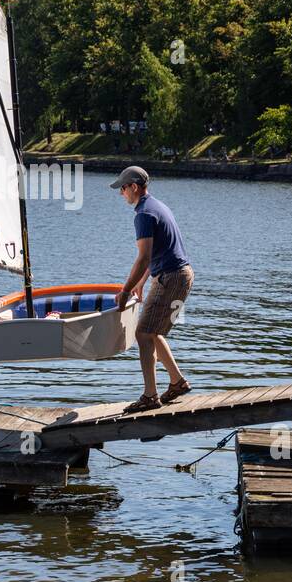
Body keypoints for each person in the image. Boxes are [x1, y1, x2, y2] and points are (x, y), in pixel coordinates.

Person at [111, 166, 194, 413]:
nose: (121, 194)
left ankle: (150, 396)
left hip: (171, 277)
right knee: (154, 333)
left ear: (134, 187)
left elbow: (143, 257)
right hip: (178, 275)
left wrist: (125, 291)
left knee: (143, 334)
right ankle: (177, 382)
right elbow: (157, 253)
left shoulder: (144, 214)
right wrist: (141, 282)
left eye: (123, 188)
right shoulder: (157, 205)